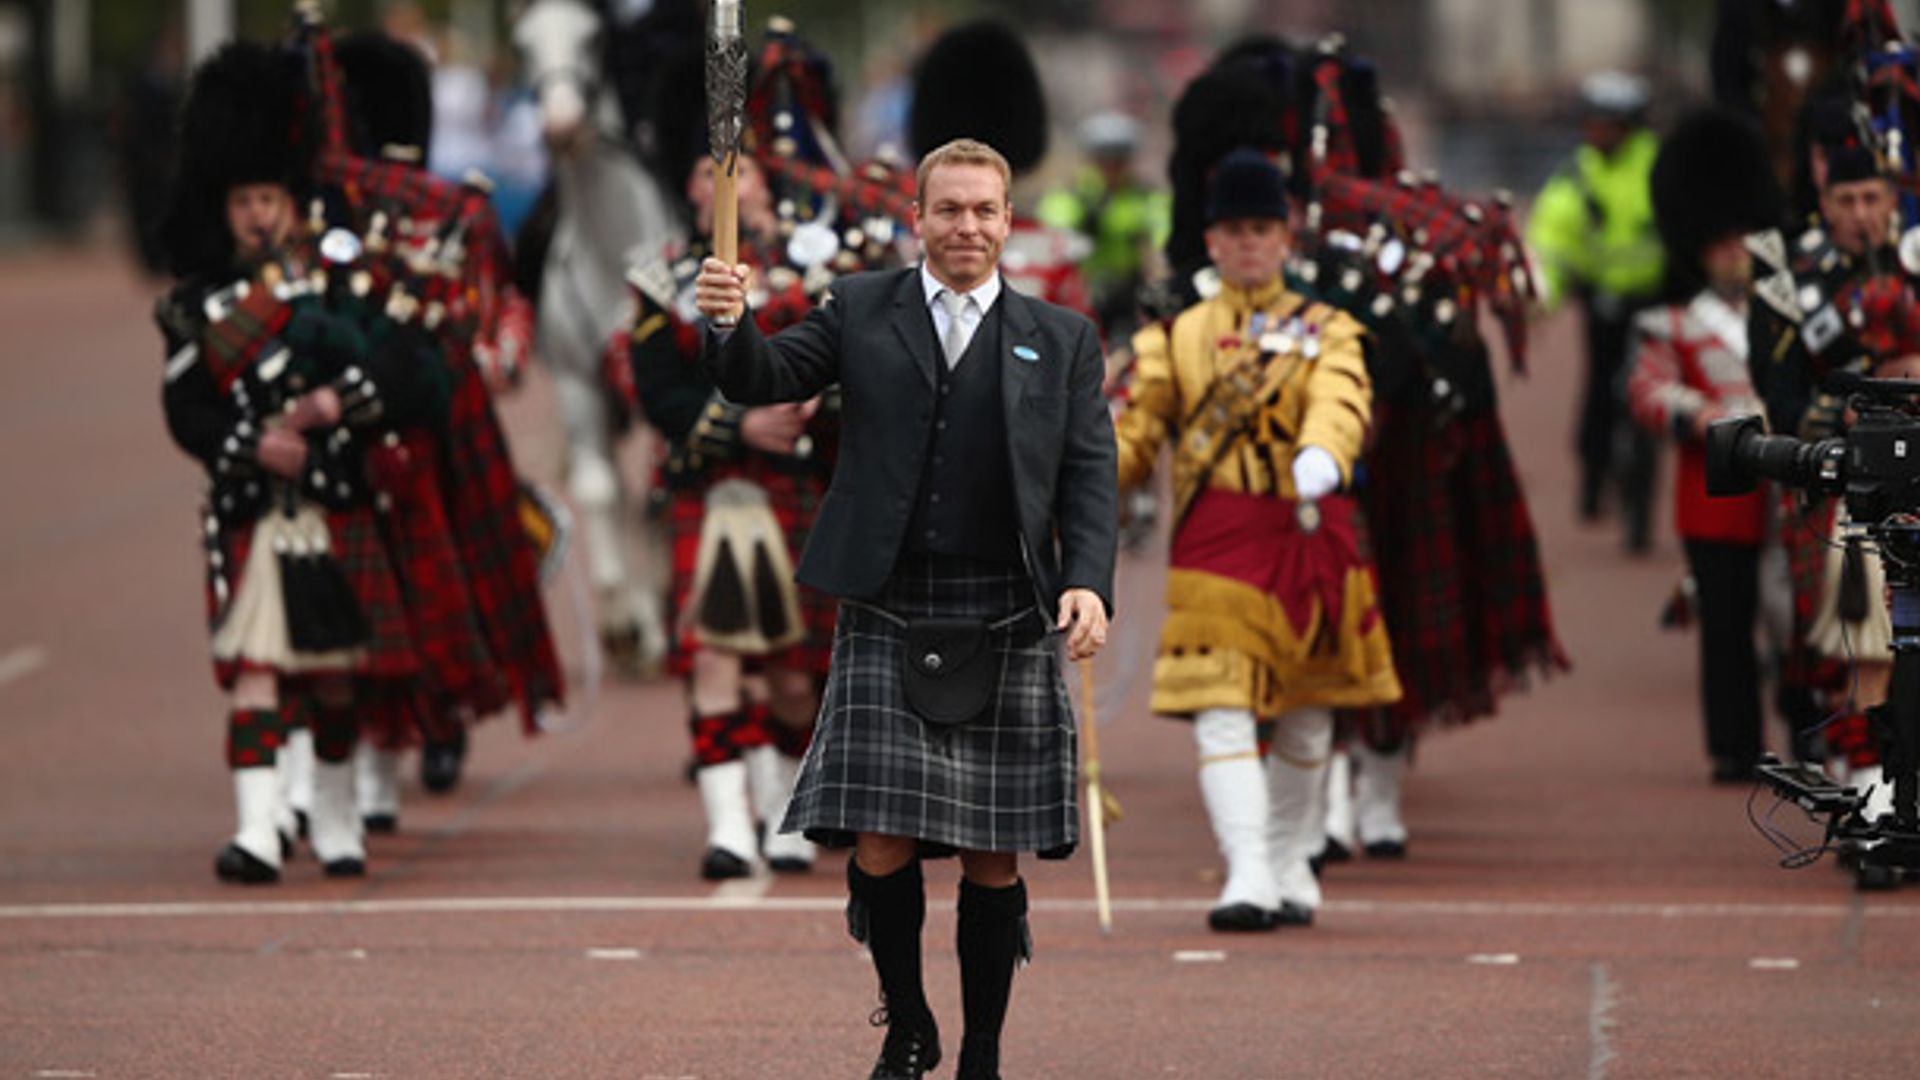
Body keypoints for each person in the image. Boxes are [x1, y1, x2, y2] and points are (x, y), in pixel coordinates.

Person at [696, 137, 1117, 1080]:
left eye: (984, 210)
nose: (966, 226)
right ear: (916, 219)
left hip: (1005, 608)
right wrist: (729, 324)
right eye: (948, 209)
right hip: (889, 601)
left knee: (990, 852)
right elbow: (760, 379)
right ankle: (908, 1022)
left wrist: (1087, 579)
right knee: (880, 840)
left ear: (1009, 222)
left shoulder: (1062, 338)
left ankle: (982, 1052)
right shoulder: (860, 307)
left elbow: (1091, 472)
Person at [155, 40, 432, 883]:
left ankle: (338, 817)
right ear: (223, 206)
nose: (257, 215)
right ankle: (259, 833)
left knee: (335, 683)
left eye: (269, 197)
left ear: (293, 200)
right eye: (242, 200)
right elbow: (184, 406)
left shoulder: (342, 288)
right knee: (256, 672)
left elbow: (418, 371)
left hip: (335, 498)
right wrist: (249, 444)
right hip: (251, 504)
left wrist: (332, 405)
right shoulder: (197, 307)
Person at [1113, 148, 1401, 931]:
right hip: (1218, 537)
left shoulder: (1330, 329)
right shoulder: (1174, 336)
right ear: (1211, 240)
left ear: (1288, 235)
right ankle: (1245, 866)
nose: (1248, 243)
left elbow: (1342, 397)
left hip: (1309, 531)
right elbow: (1134, 438)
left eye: (1263, 228)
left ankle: (1285, 857)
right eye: (1234, 229)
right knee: (1220, 705)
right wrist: (1083, 485)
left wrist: (1324, 451)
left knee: (1309, 712)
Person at [1627, 108, 1784, 784]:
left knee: (1796, 622)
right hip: (1713, 493)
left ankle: (1812, 734)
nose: (1730, 253)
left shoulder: (1787, 313)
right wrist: (1707, 416)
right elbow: (1647, 391)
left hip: (1782, 489)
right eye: (1718, 243)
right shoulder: (1672, 321)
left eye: (1739, 240)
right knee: (1723, 627)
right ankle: (1734, 745)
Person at [1526, 71, 1666, 549]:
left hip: (1653, 301)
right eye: (1592, 124)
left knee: (1653, 397)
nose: (1598, 134)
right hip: (1602, 301)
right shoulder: (1576, 176)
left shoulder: (1659, 167)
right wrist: (1543, 296)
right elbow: (1551, 237)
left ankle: (1640, 499)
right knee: (1598, 395)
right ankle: (1592, 473)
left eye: (1609, 125)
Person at [1036, 112, 1171, 339]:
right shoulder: (1072, 196)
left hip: (1129, 292)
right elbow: (1053, 225)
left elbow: (1163, 230)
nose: (1111, 169)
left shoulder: (1144, 199)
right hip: (1084, 290)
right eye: (1103, 160)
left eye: (1119, 161)